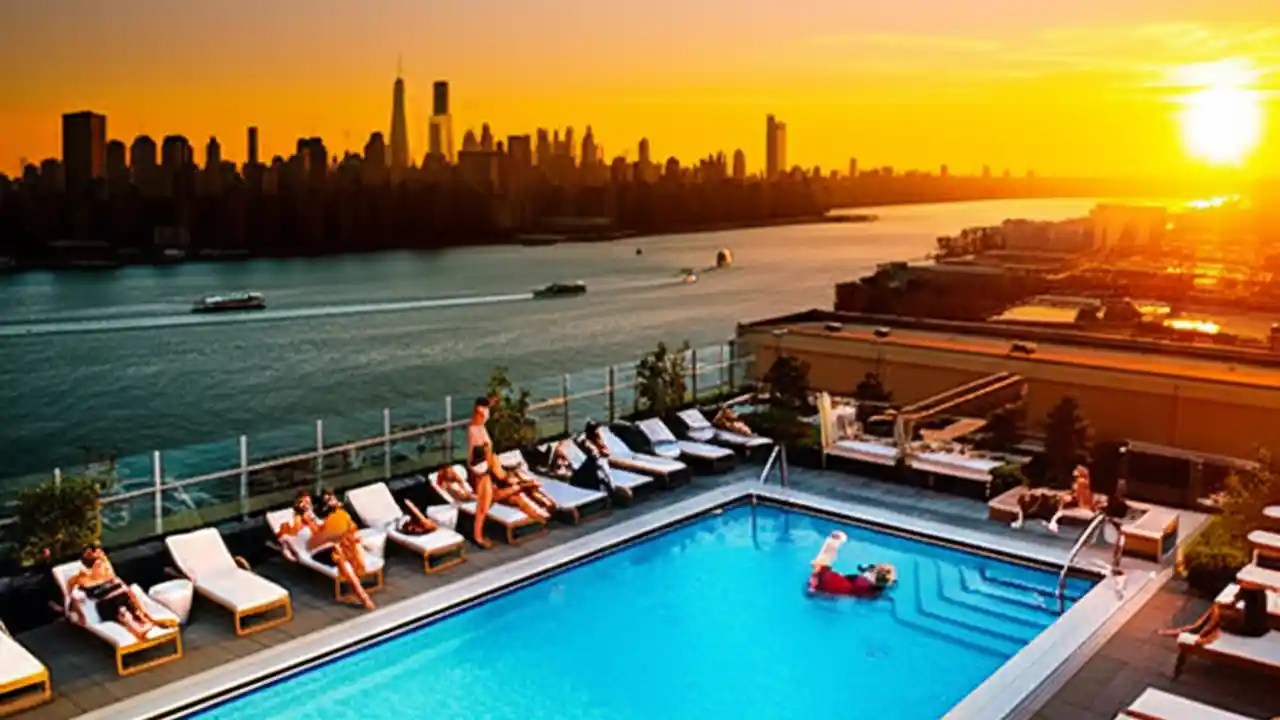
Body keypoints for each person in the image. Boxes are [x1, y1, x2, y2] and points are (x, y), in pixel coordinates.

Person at [278, 490, 376, 610]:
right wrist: (287, 552)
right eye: (302, 502)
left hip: (329, 547)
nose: (306, 504)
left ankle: (360, 589)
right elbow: (284, 539)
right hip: (316, 552)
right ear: (296, 505)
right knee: (339, 553)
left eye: (308, 502)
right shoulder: (294, 522)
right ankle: (363, 596)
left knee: (345, 547)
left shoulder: (317, 519)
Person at [66, 545, 177, 640]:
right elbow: (72, 595)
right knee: (120, 606)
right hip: (107, 605)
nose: (104, 565)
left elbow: (124, 587)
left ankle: (147, 621)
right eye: (100, 564)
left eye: (104, 561)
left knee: (127, 596)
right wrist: (79, 615)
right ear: (90, 568)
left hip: (122, 599)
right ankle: (137, 629)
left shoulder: (108, 574)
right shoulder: (83, 580)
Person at [1159, 579, 1270, 645]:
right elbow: (1234, 603)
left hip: (1248, 628)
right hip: (1252, 625)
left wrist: (1225, 607)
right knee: (1217, 607)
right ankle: (1195, 629)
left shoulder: (1249, 590)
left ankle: (1202, 633)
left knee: (1218, 612)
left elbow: (1234, 603)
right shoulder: (1259, 592)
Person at [806, 531, 897, 598]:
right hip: (831, 587)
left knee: (821, 565)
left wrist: (834, 542)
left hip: (830, 585)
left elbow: (820, 564)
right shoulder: (870, 590)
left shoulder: (842, 584)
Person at [1106, 478, 1130, 573]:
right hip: (1113, 525)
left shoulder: (1122, 503)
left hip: (1117, 526)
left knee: (1119, 545)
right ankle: (1114, 564)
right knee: (1117, 544)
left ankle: (1115, 563)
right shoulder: (1113, 501)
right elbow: (1109, 515)